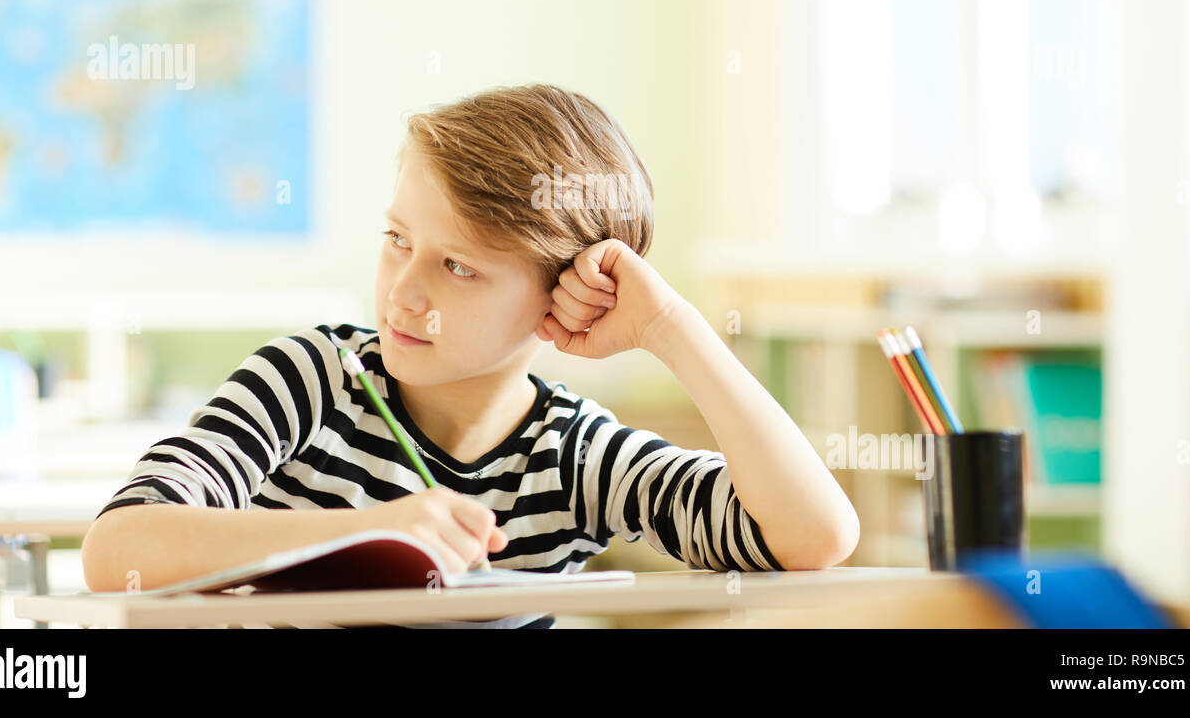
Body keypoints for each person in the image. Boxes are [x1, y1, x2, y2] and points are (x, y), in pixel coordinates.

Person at [80, 83, 860, 628]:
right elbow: (120, 549)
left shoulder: (572, 454)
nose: (402, 295)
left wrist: (671, 327)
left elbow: (813, 535)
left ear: (563, 292)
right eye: (397, 242)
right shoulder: (313, 380)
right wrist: (373, 537)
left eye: (458, 267)